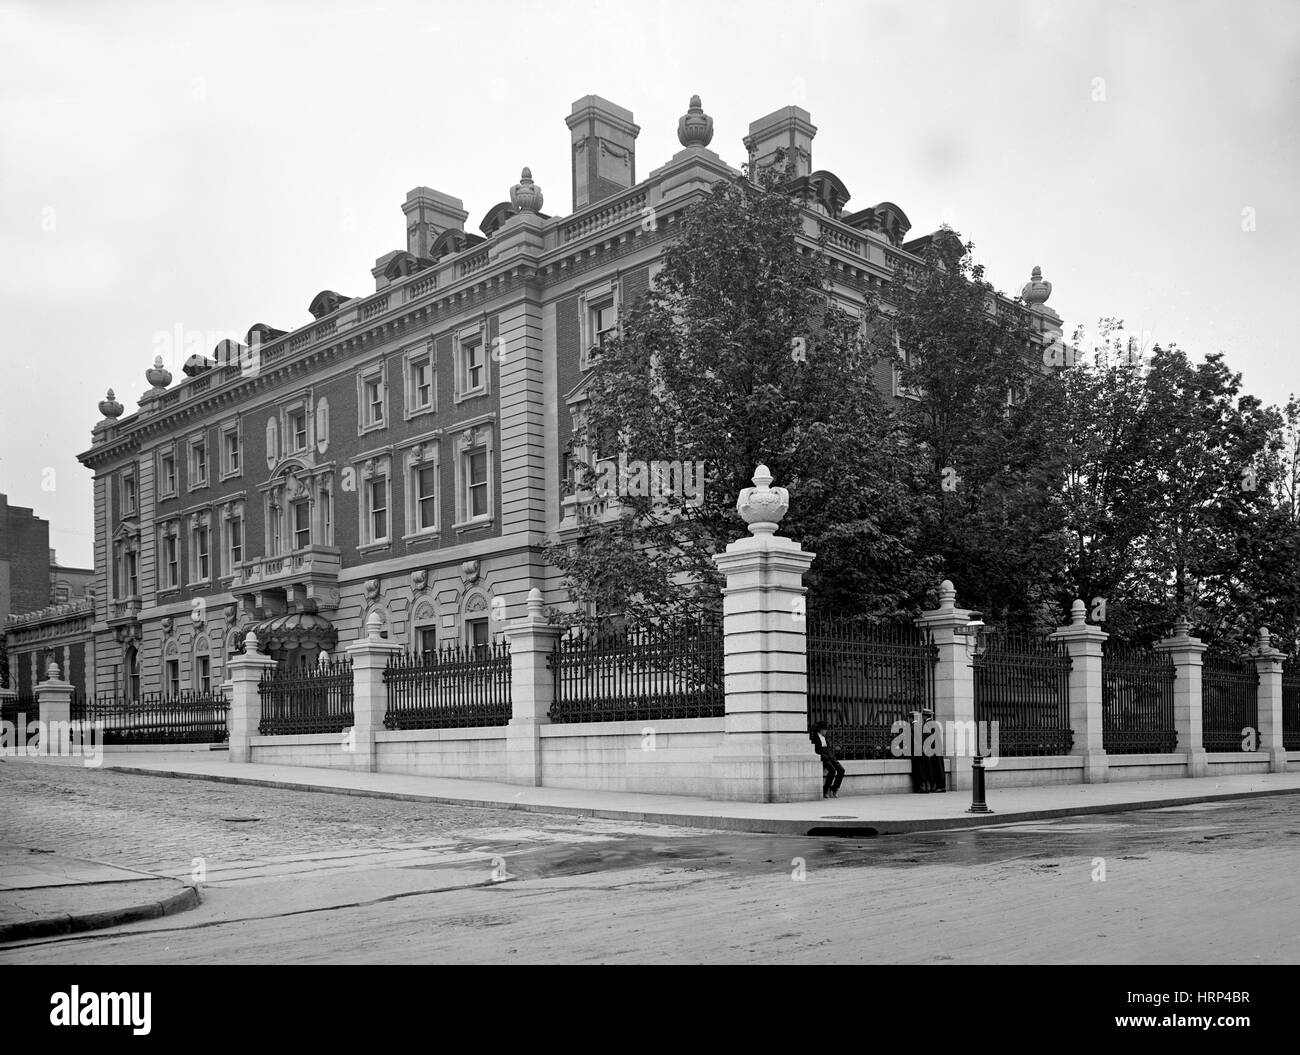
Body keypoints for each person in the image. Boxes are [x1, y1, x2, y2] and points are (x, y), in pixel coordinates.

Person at [810, 721, 845, 799]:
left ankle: (834, 788)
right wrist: (824, 756)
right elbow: (816, 750)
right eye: (825, 730)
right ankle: (825, 790)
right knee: (832, 770)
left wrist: (831, 756)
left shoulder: (825, 737)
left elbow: (828, 747)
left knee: (841, 770)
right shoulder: (815, 737)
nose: (826, 731)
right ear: (820, 730)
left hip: (829, 755)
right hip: (823, 756)